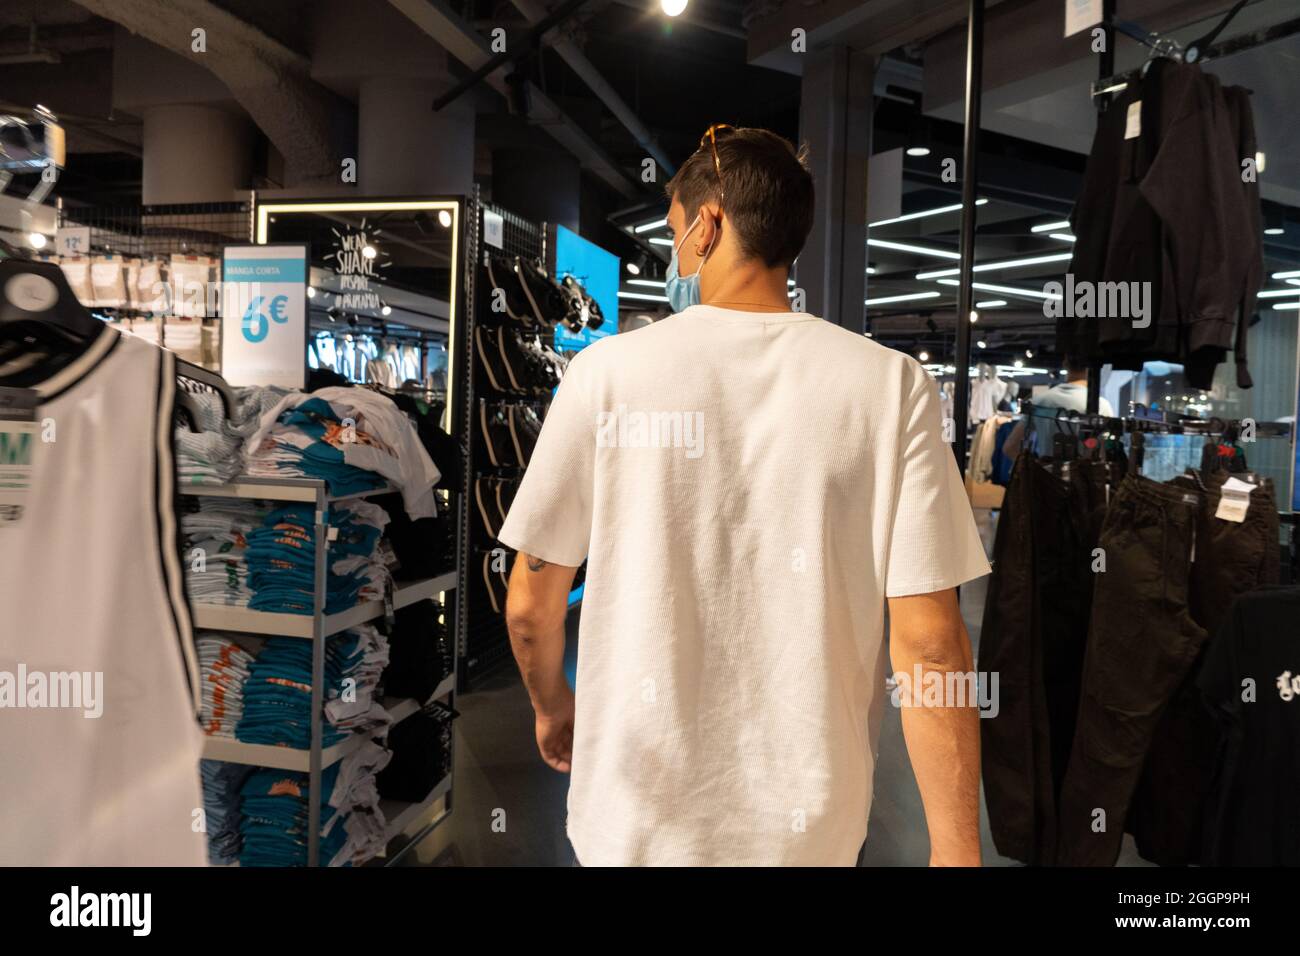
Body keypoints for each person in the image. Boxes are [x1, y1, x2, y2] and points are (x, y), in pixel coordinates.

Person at [497, 125, 990, 866]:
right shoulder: (890, 387)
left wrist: (551, 709)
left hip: (632, 818)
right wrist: (958, 852)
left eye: (673, 233)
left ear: (709, 224)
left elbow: (531, 604)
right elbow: (933, 647)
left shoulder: (605, 376)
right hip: (810, 829)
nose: (673, 256)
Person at [1003, 363, 1115, 460]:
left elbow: (1010, 447)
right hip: (1084, 481)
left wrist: (1034, 469)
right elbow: (1106, 451)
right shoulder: (1102, 406)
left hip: (1046, 479)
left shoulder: (1039, 401)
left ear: (1065, 362)